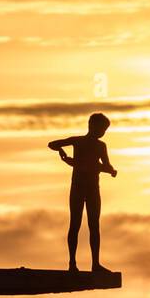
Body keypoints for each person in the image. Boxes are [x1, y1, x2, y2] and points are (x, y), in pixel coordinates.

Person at [48, 113, 117, 272]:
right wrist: (65, 155)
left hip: (90, 188)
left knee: (90, 225)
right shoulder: (81, 142)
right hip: (81, 188)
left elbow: (105, 165)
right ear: (92, 126)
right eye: (102, 129)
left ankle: (92, 264)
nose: (102, 132)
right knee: (78, 224)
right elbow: (52, 144)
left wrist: (70, 159)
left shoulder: (95, 145)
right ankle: (74, 264)